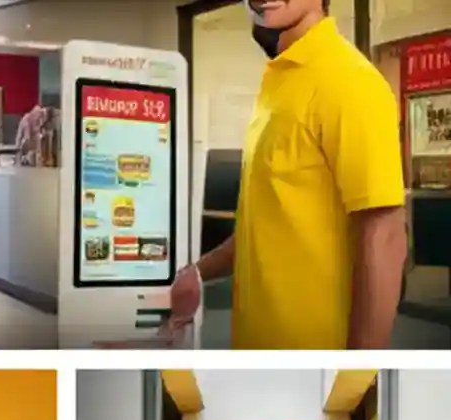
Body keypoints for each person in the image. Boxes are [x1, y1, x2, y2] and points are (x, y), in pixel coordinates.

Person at [167, 0, 407, 349]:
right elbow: (266, 223)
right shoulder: (279, 83)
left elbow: (386, 233)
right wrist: (199, 271)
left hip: (316, 357)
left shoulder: (349, 80)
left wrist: (360, 372)